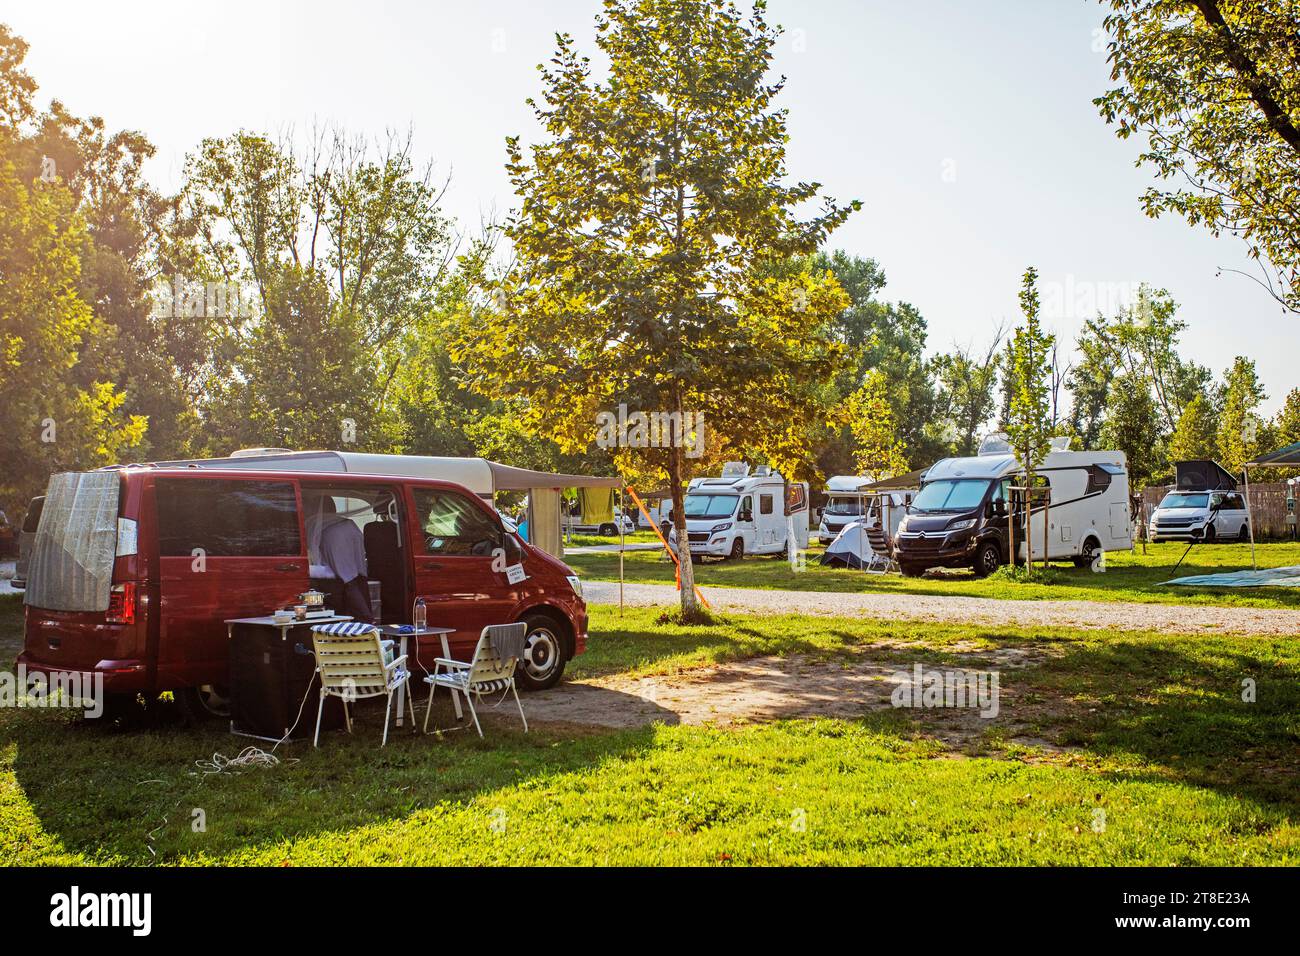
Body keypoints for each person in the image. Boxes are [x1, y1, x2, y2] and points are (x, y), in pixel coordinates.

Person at [307, 495, 373, 623]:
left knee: (347, 581)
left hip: (332, 577)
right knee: (354, 579)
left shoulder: (313, 524)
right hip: (351, 533)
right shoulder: (348, 523)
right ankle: (366, 618)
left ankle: (364, 618)